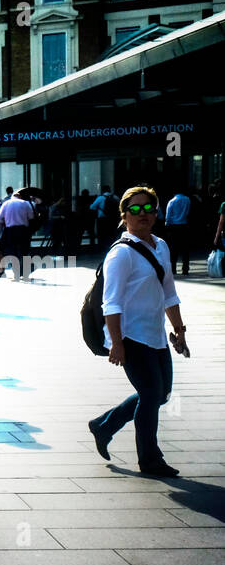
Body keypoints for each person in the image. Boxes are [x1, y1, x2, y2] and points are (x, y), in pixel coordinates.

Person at [87, 187, 187, 478]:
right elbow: (111, 303)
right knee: (150, 393)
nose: (142, 214)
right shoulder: (121, 254)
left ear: (156, 213)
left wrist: (179, 330)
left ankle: (104, 425)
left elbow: (169, 293)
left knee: (161, 394)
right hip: (130, 337)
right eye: (135, 209)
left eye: (148, 209)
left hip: (155, 335)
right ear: (124, 215)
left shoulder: (162, 246)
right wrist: (116, 343)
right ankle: (150, 459)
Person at [0, 187, 34, 280]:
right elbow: (31, 216)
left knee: (12, 252)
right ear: (20, 197)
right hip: (23, 230)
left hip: (10, 230)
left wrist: (5, 222)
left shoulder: (6, 204)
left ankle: (16, 273)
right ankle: (24, 272)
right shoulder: (25, 203)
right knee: (24, 251)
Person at [163, 190, 191, 276]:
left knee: (173, 249)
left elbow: (168, 215)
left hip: (174, 227)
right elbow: (188, 211)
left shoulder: (172, 201)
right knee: (185, 249)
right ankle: (185, 269)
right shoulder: (187, 199)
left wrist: (167, 225)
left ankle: (173, 269)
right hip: (184, 225)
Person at [92, 185, 119, 249]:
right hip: (112, 219)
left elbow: (92, 207)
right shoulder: (115, 197)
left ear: (103, 190)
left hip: (102, 219)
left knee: (101, 234)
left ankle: (101, 247)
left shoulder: (100, 198)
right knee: (111, 234)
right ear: (109, 190)